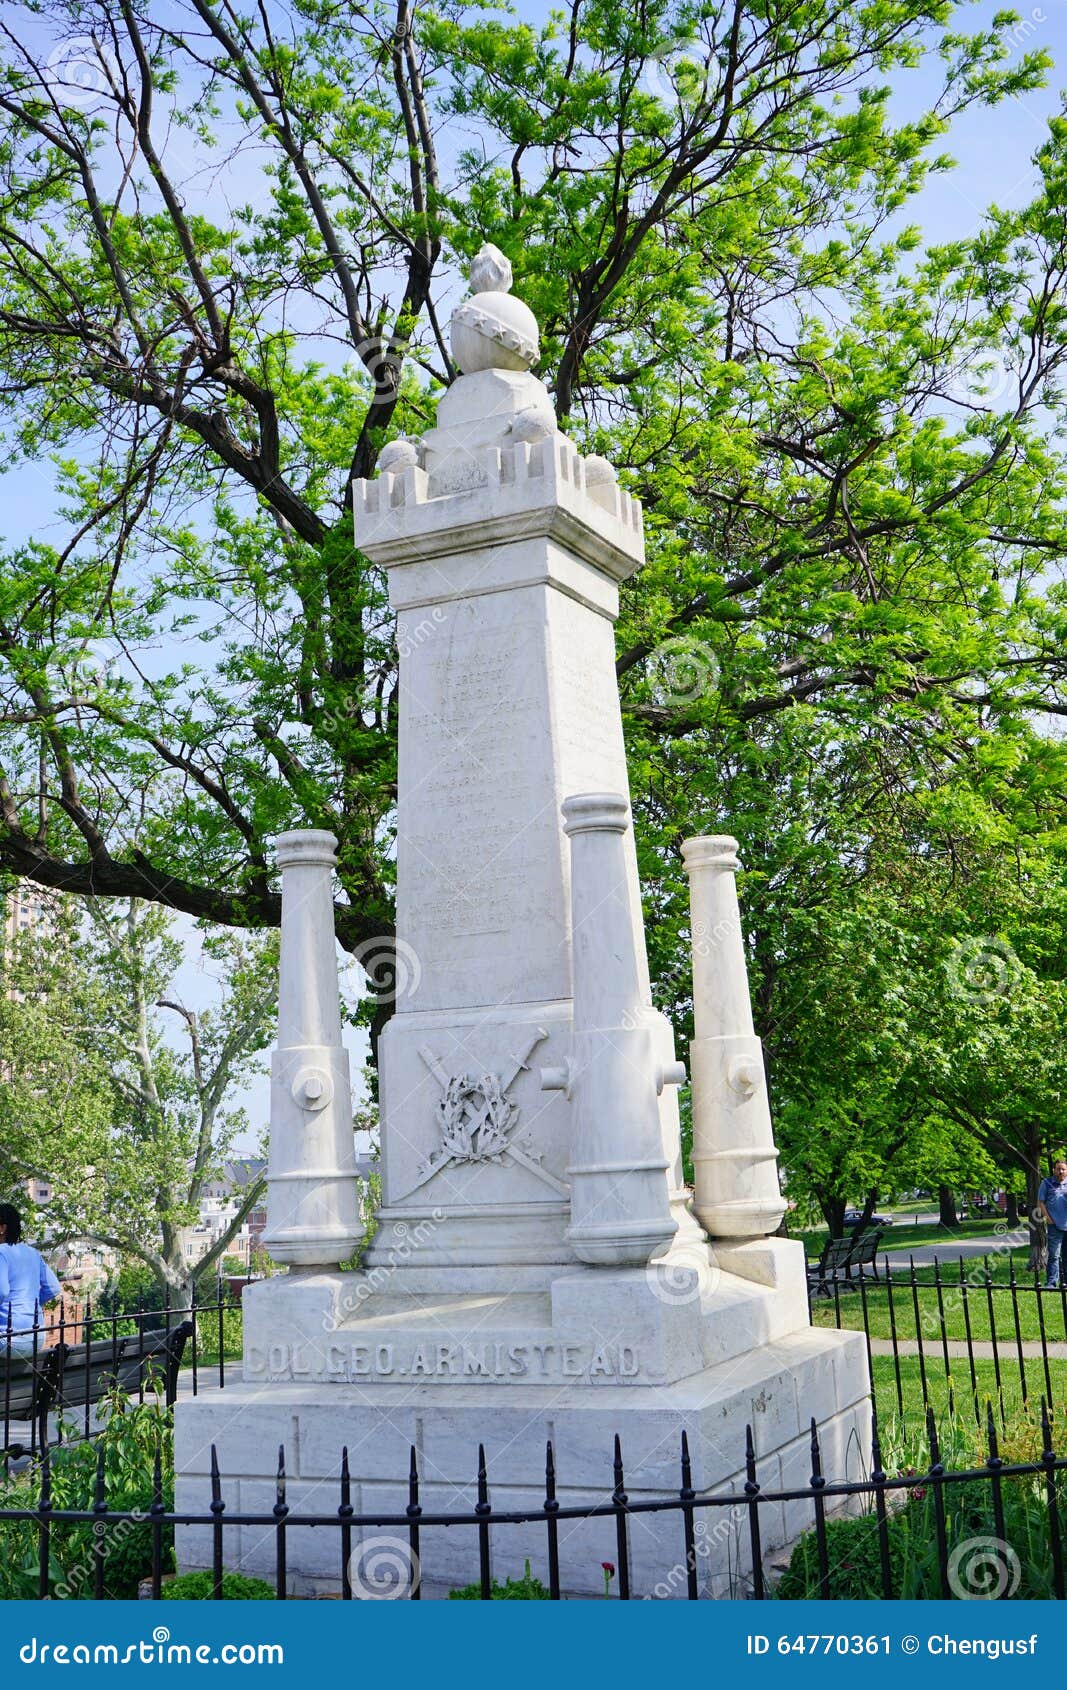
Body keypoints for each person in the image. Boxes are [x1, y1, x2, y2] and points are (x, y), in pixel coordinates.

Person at [0, 1203, 61, 1358]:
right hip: (37, 1338)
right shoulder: (32, 1252)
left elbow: (2, 1291)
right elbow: (54, 1288)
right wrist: (29, 1304)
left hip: (8, 1340)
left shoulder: (1, 1253)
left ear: (2, 1228)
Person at [1037, 1159, 1067, 1290]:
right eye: (1058, 1169)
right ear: (1054, 1170)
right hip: (1054, 1226)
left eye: (1063, 1169)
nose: (1060, 1171)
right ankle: (1051, 1283)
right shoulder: (1047, 1183)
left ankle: (1065, 1282)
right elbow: (1040, 1202)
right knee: (1054, 1255)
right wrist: (1048, 1218)